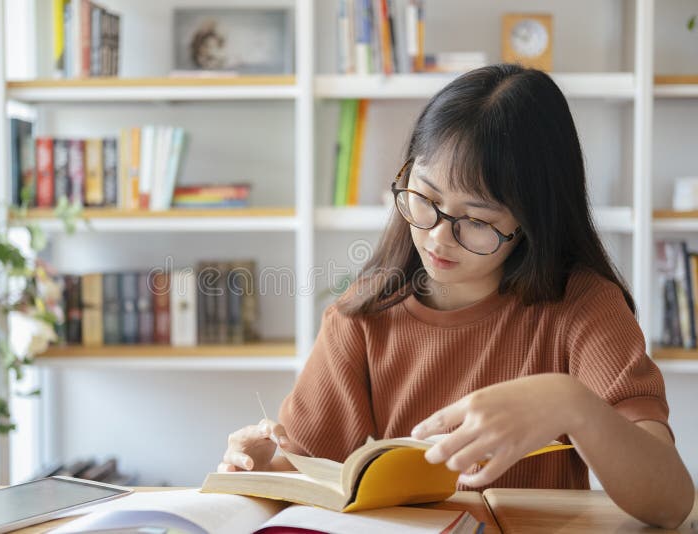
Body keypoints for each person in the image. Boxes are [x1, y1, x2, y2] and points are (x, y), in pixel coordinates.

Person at [218, 64, 694, 528]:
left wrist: (570, 403)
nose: (439, 238)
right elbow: (306, 483)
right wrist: (257, 470)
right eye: (425, 198)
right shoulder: (362, 318)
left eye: (477, 221)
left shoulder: (582, 308)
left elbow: (670, 503)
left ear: (531, 221)